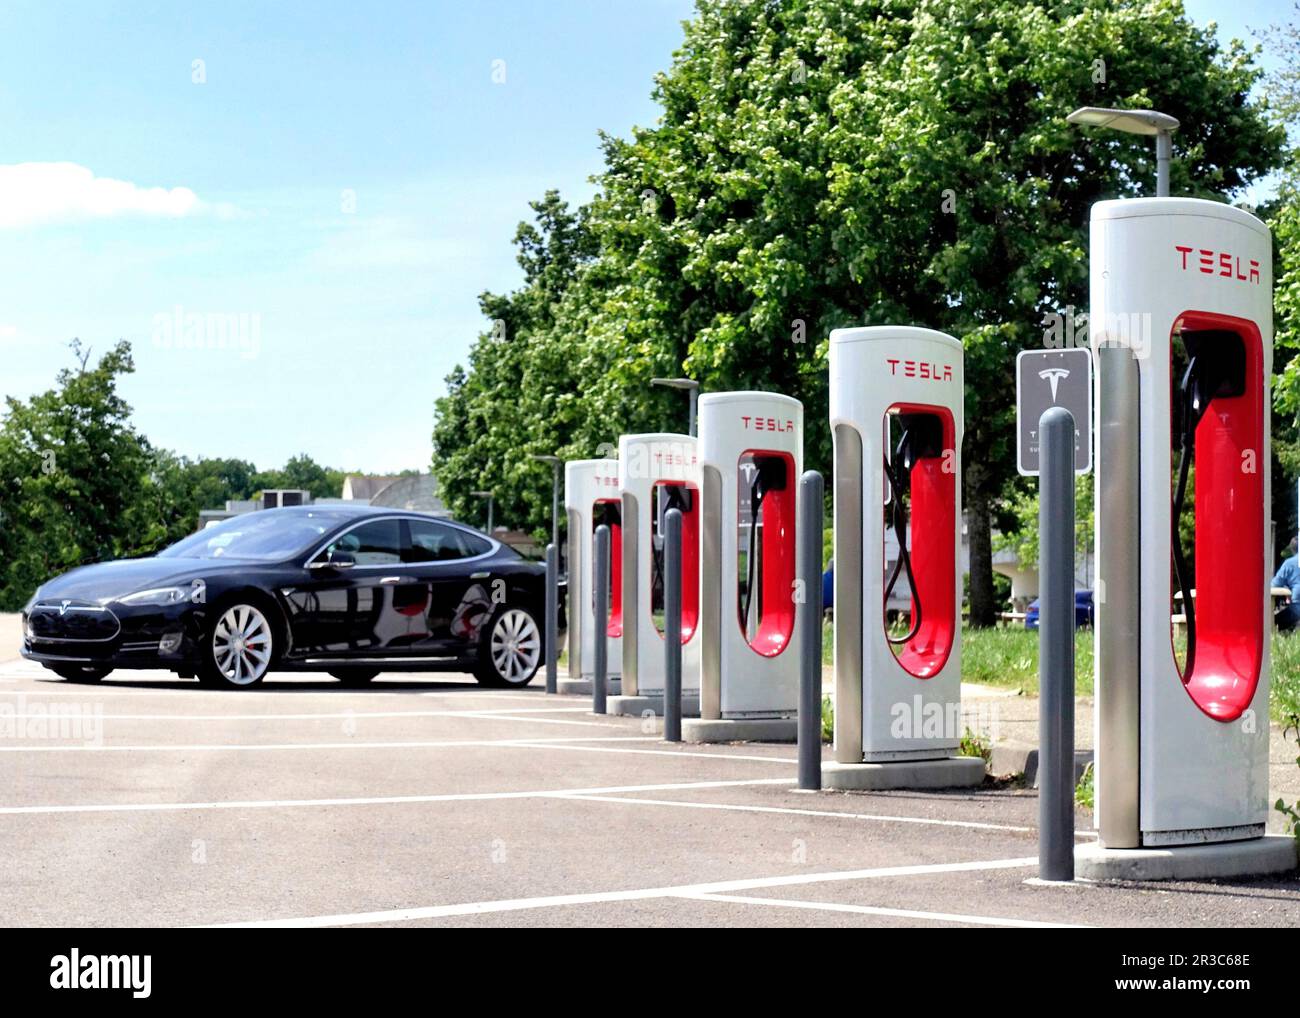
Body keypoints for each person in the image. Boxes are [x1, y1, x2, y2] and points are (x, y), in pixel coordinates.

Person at [1273, 555, 1300, 631]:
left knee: (1272, 623)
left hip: (1296, 611)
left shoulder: (1290, 563)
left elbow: (1273, 586)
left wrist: (1286, 589)